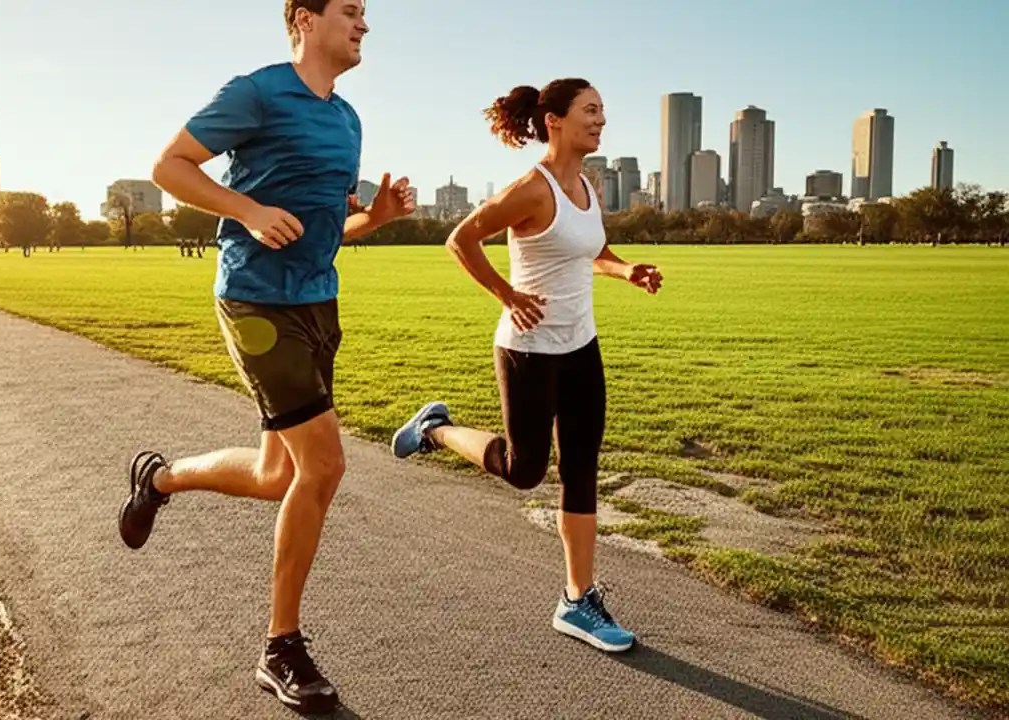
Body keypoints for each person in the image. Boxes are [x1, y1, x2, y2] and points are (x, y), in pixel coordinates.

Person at [117, 0, 414, 714]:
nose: (364, 24)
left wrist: (375, 219)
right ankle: (281, 646)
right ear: (304, 18)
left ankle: (160, 479)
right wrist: (245, 211)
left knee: (276, 473)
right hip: (254, 301)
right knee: (325, 464)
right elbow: (168, 165)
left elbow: (323, 230)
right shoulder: (256, 90)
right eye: (350, 10)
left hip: (318, 304)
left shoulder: (347, 120)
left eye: (366, 14)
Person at [391, 78, 663, 654]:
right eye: (590, 110)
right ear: (555, 120)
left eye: (603, 111)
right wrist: (505, 294)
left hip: (581, 348)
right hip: (528, 352)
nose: (601, 120)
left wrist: (627, 270)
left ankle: (577, 599)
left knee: (582, 468)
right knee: (524, 469)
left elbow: (594, 253)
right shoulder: (529, 190)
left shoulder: (588, 187)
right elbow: (460, 239)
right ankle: (436, 430)